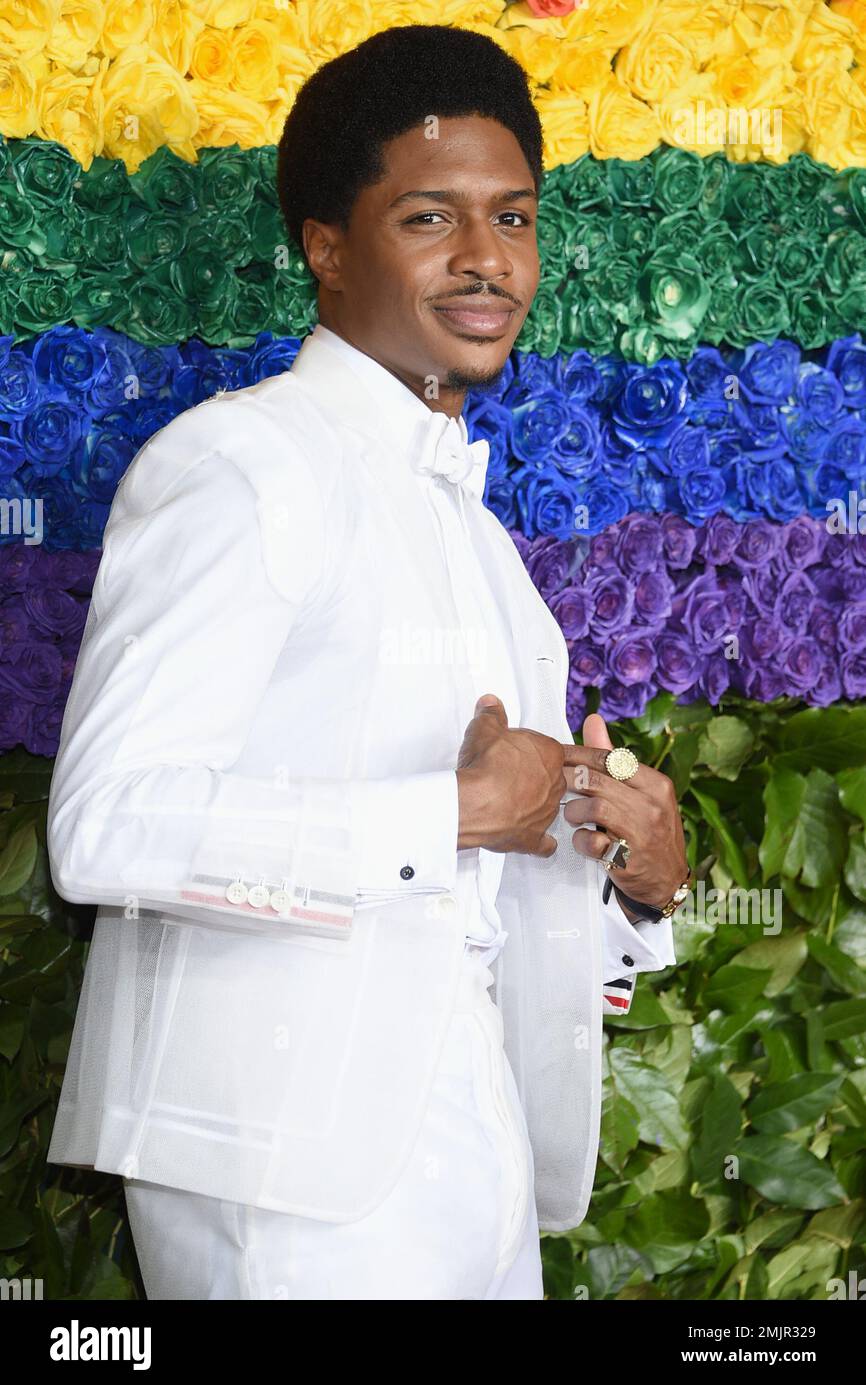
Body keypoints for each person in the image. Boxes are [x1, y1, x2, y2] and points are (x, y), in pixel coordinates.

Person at [45, 24, 688, 1301]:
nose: (485, 260)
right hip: (283, 1173)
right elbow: (106, 828)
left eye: (512, 217)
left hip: (479, 1140)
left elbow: (495, 879)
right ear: (326, 248)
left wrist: (634, 887)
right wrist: (448, 811)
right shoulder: (239, 465)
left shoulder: (482, 538)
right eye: (428, 218)